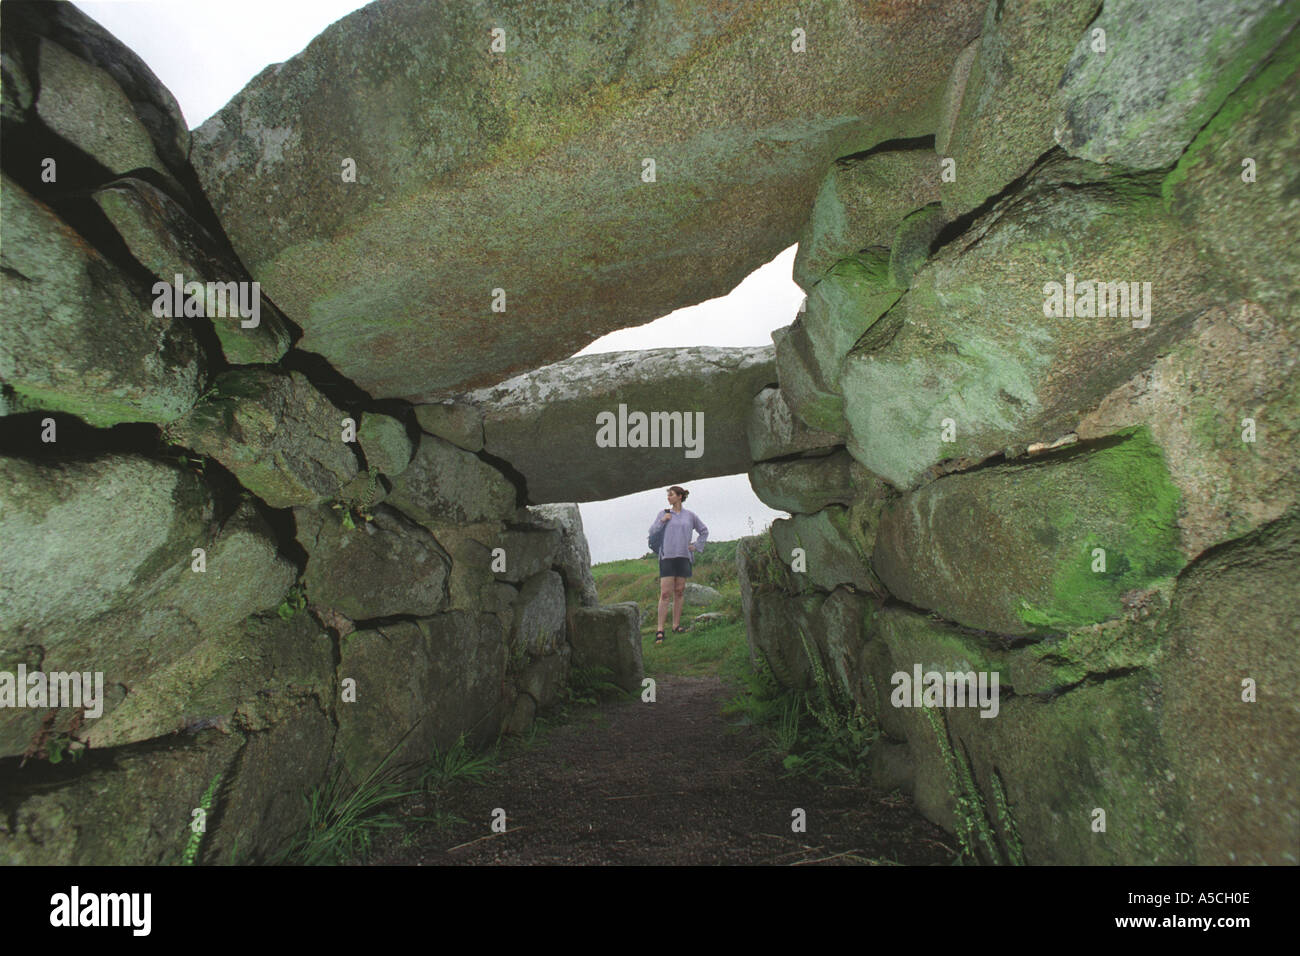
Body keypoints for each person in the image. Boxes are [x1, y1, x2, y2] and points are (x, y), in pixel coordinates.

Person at [649, 485, 708, 645]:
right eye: (668, 495)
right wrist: (662, 521)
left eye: (672, 494)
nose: (669, 497)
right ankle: (660, 629)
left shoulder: (690, 515)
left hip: (684, 557)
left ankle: (676, 625)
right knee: (665, 593)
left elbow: (704, 531)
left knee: (680, 591)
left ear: (680, 496)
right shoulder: (664, 514)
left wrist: (695, 546)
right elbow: (652, 531)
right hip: (667, 557)